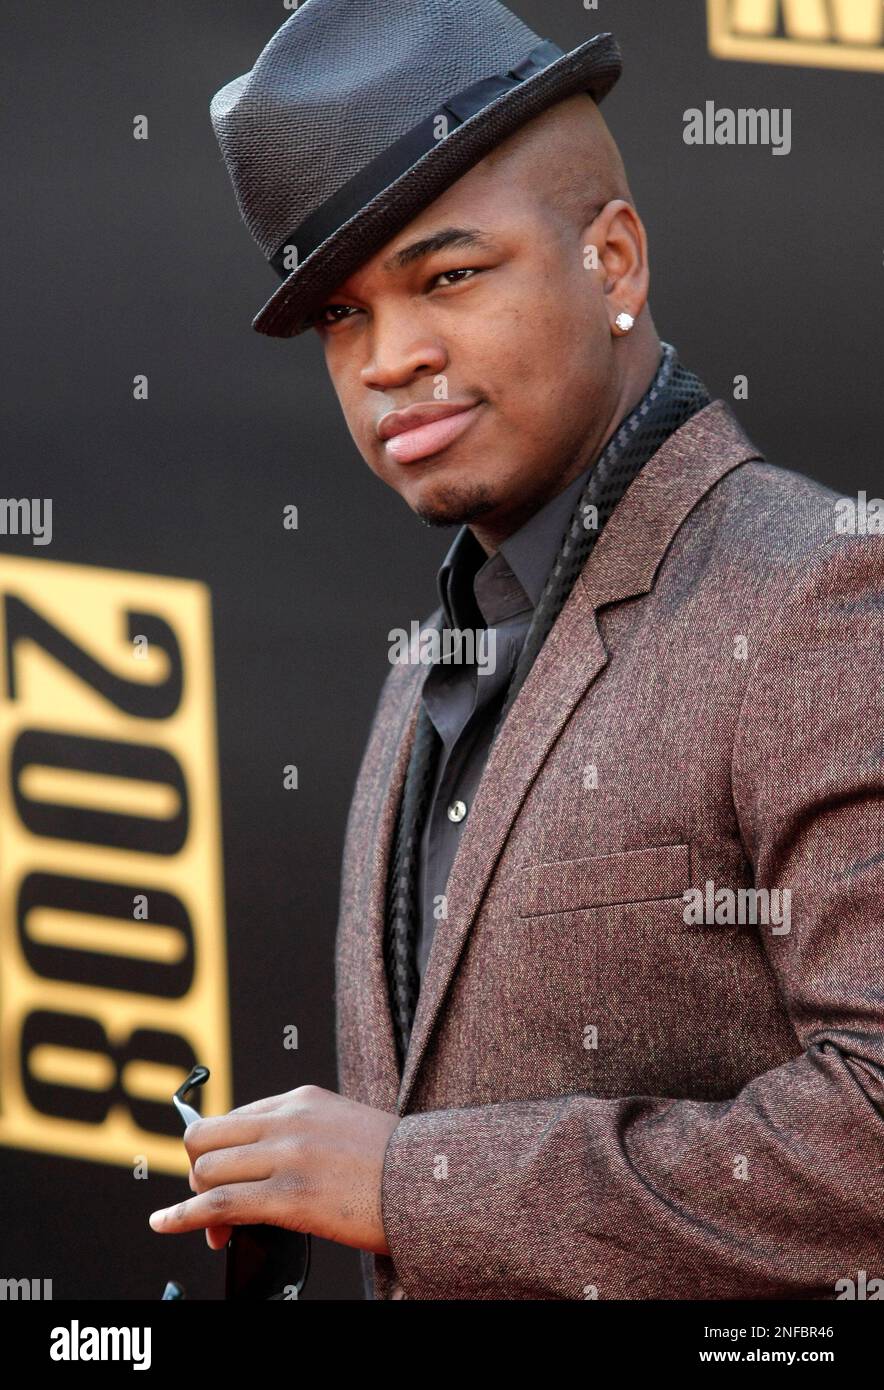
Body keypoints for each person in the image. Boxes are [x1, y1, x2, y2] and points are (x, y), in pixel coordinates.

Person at [148, 0, 884, 1300]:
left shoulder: (816, 589)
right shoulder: (439, 649)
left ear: (612, 263)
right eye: (340, 315)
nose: (393, 360)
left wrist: (407, 1182)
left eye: (447, 276)